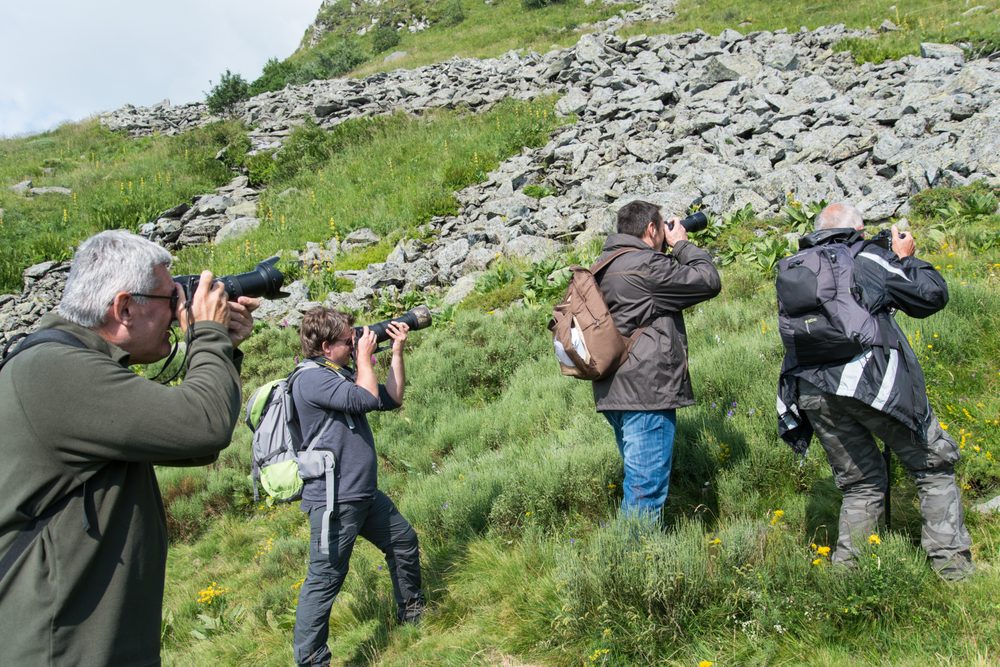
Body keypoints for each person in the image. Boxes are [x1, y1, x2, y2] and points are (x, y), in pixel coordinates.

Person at [0, 230, 259, 664]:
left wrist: (221, 344)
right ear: (123, 308)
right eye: (169, 299)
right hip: (58, 648)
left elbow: (187, 443)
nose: (180, 310)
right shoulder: (55, 371)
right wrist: (207, 334)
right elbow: (202, 426)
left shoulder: (68, 364)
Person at [777, 202, 974, 580]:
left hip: (811, 389)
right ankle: (952, 571)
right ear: (859, 229)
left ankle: (849, 577)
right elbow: (931, 295)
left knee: (860, 483)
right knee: (933, 463)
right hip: (867, 383)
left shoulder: (797, 267)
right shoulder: (865, 256)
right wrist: (905, 258)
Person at [292, 307, 423, 667]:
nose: (353, 343)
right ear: (324, 346)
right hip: (335, 500)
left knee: (402, 541)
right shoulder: (311, 380)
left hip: (362, 494)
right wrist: (365, 356)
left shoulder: (340, 375)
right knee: (325, 580)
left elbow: (390, 399)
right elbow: (364, 399)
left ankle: (413, 615)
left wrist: (395, 353)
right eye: (347, 340)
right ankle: (312, 660)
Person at [594, 200, 722, 518]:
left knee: (638, 484)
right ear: (652, 229)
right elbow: (707, 281)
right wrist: (680, 245)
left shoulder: (606, 263)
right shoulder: (646, 265)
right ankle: (635, 563)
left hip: (615, 390)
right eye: (662, 227)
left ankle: (630, 558)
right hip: (646, 392)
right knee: (644, 493)